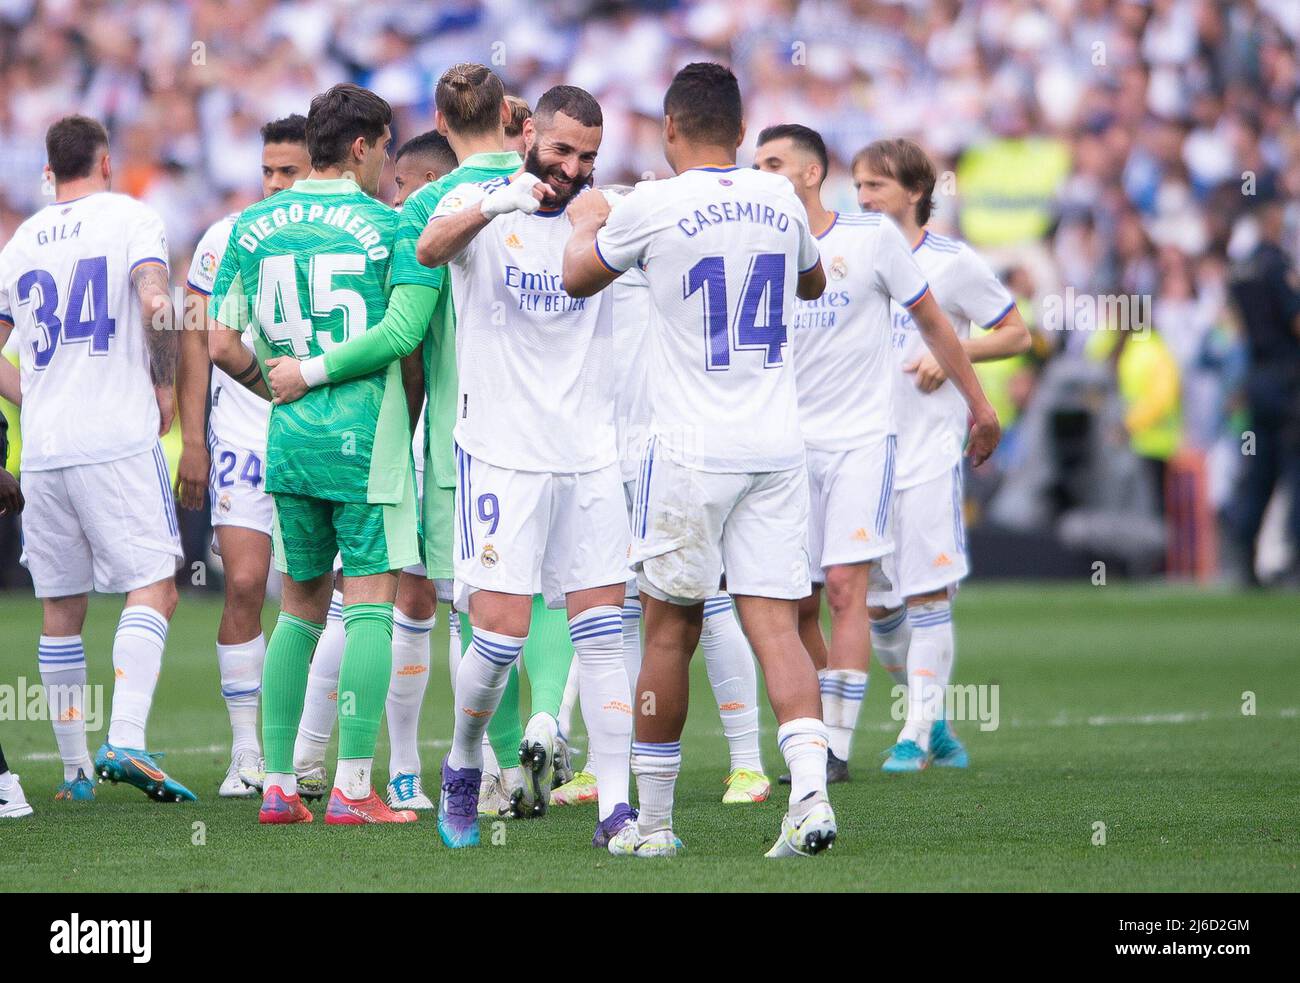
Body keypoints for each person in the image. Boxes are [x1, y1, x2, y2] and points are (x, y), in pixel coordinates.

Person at [267, 68, 581, 820]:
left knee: (455, 609)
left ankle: (378, 767)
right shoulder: (567, 191)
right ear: (514, 115)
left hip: (458, 438)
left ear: (439, 119)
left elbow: (407, 340)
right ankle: (544, 760)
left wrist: (303, 378)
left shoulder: (423, 210)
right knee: (556, 605)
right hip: (569, 434)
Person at [562, 63, 841, 858]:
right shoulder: (781, 197)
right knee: (777, 626)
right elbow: (814, 283)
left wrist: (587, 218)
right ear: (744, 129)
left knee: (668, 630)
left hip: (685, 448)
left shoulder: (652, 204)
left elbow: (577, 277)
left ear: (670, 128)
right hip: (774, 442)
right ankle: (810, 797)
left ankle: (653, 824)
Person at [415, 84, 637, 850]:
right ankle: (464, 759)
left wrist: (600, 223)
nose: (573, 167)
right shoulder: (486, 197)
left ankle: (617, 807)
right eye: (563, 150)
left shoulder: (601, 214)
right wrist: (497, 203)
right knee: (501, 637)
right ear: (531, 133)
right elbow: (427, 248)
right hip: (502, 450)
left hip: (590, 452)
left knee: (603, 630)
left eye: (588, 156)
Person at [755, 126, 1002, 781]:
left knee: (849, 590)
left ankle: (839, 747)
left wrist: (980, 405)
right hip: (785, 446)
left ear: (810, 173)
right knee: (799, 603)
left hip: (871, 442)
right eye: (756, 164)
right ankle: (851, 725)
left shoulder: (873, 242)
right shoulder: (758, 244)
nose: (762, 173)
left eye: (773, 163)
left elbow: (937, 324)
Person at [208, 83, 419, 825]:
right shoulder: (387, 225)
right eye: (387, 146)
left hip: (288, 434)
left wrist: (281, 388)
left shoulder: (254, 224)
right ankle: (355, 789)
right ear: (361, 147)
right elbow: (405, 334)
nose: (389, 160)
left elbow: (219, 341)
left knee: (297, 607)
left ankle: (275, 783)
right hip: (367, 439)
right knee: (368, 603)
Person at [0, 114, 194, 803]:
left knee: (61, 605)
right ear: (106, 161)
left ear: (49, 171)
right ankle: (129, 738)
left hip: (46, 449)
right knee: (156, 582)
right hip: (114, 437)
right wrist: (165, 381)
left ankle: (76, 770)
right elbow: (155, 301)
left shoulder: (19, 240)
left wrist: (38, 392)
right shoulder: (132, 217)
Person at [852, 138, 1026, 771]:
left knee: (928, 594)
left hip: (927, 449)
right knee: (876, 604)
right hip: (863, 451)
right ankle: (934, 717)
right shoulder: (849, 256)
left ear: (917, 192)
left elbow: (1016, 331)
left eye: (876, 186)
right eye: (859, 186)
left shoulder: (952, 262)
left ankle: (915, 733)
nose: (864, 197)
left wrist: (950, 354)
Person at [176, 114, 311, 798]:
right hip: (245, 433)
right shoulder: (227, 236)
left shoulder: (332, 230)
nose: (276, 183)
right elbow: (198, 335)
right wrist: (193, 438)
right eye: (268, 170)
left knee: (324, 594)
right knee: (245, 584)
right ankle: (245, 752)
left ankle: (309, 753)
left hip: (318, 426)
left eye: (289, 170)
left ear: (316, 169)